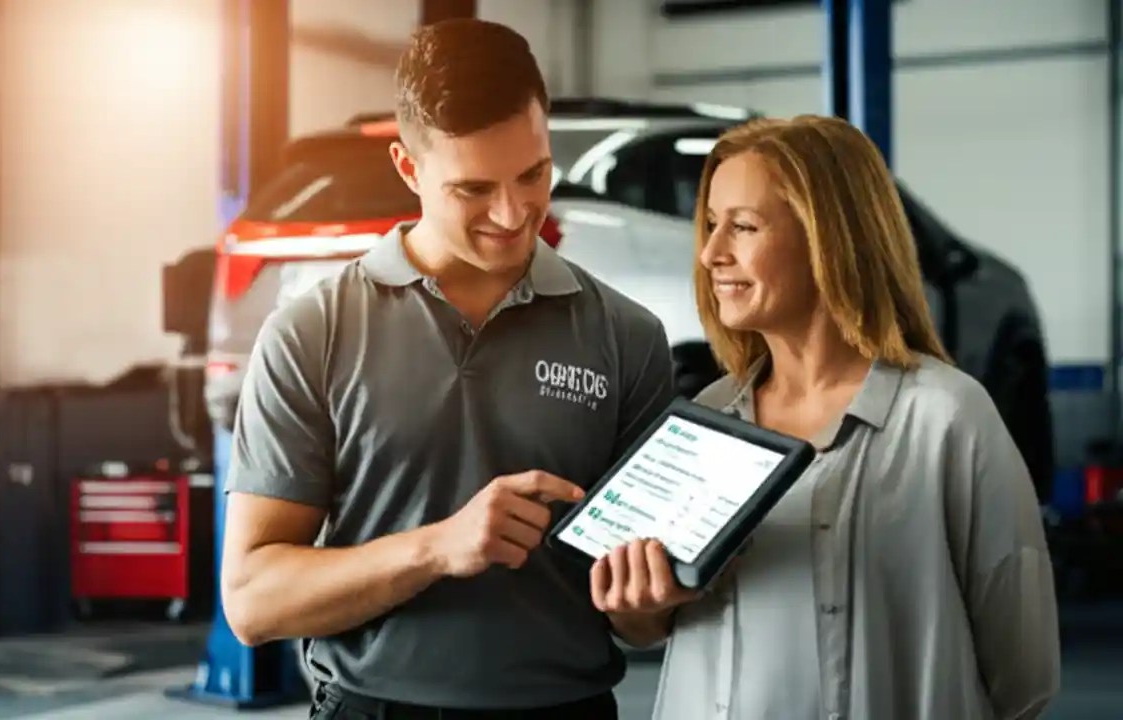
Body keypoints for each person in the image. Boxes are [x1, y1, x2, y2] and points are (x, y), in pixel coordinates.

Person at [219, 18, 675, 720]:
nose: (513, 211)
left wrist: (654, 601)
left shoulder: (627, 338)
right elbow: (252, 601)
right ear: (409, 168)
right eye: (473, 189)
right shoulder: (314, 334)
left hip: (569, 709)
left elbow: (639, 623)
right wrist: (438, 547)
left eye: (534, 174)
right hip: (371, 709)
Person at [592, 115, 1061, 719]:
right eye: (710, 225)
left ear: (830, 239)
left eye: (743, 226)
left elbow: (1023, 674)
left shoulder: (947, 418)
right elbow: (649, 627)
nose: (711, 253)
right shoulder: (703, 420)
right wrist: (638, 605)